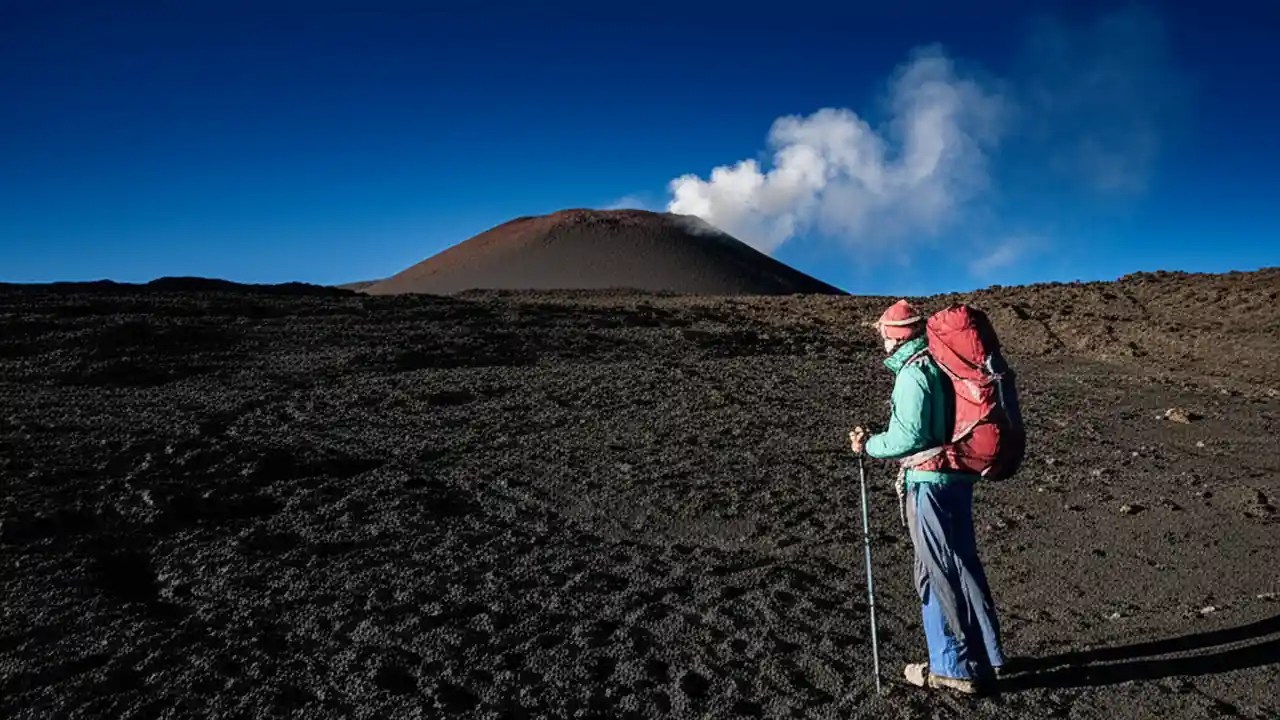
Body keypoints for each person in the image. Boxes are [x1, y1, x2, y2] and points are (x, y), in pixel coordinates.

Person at [848, 299, 1006, 695]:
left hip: (929, 483)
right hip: (956, 478)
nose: (880, 340)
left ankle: (954, 665)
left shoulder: (914, 373)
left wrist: (869, 445)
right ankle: (988, 654)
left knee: (935, 571)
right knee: (963, 563)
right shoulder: (940, 365)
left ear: (894, 335)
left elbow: (910, 437)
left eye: (883, 332)